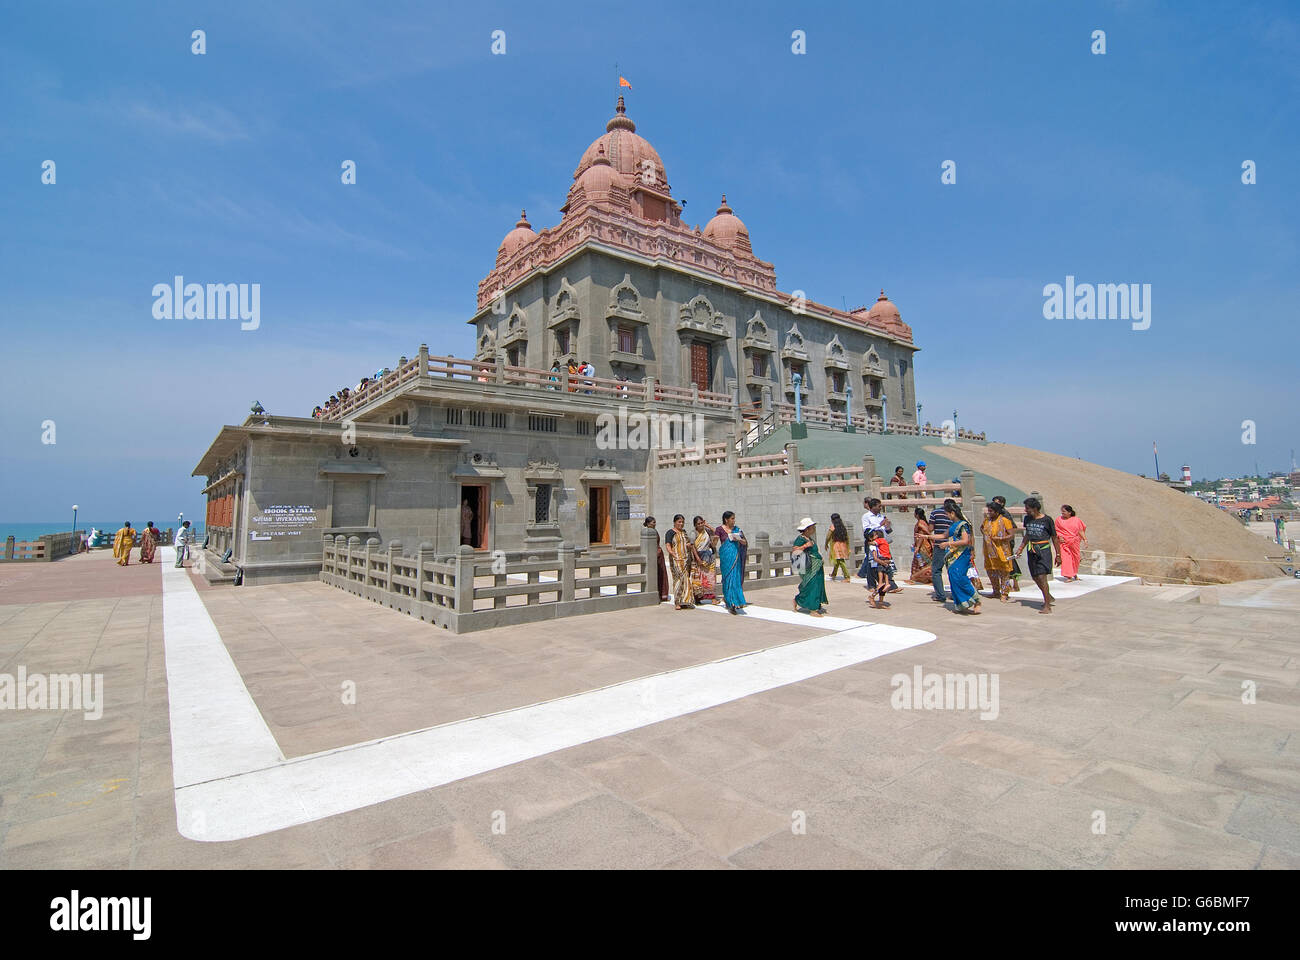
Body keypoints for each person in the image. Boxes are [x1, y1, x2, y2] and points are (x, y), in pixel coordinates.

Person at [935, 499, 981, 614]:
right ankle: (962, 604)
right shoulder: (953, 525)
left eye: (947, 513)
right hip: (952, 556)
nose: (946, 516)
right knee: (953, 578)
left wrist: (948, 544)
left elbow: (965, 541)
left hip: (961, 554)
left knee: (960, 577)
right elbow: (942, 535)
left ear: (952, 513)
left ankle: (976, 600)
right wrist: (925, 535)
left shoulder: (963, 524)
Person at [1015, 497, 1060, 614]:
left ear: (1035, 508)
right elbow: (1028, 535)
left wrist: (1058, 554)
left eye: (1028, 508)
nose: (1026, 510)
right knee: (1035, 576)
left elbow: (1054, 538)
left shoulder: (1047, 520)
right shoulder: (1028, 519)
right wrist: (1020, 548)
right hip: (1031, 550)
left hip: (1043, 551)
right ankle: (1048, 596)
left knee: (1041, 576)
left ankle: (1047, 605)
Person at [790, 518, 828, 616]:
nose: (814, 529)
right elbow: (795, 550)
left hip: (817, 565)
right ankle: (813, 609)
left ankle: (800, 600)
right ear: (807, 529)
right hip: (809, 566)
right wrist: (805, 546)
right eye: (812, 527)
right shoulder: (800, 539)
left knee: (818, 585)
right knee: (812, 586)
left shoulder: (810, 538)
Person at [981, 504, 1016, 601]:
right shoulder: (987, 521)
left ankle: (1004, 593)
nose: (989, 513)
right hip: (989, 551)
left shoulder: (1005, 521)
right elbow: (982, 528)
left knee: (1004, 573)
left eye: (991, 511)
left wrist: (1000, 538)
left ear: (997, 512)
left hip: (1002, 551)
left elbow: (1011, 535)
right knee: (991, 571)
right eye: (988, 511)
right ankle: (995, 591)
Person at [716, 510, 749, 614]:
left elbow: (745, 542)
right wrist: (713, 540)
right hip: (726, 557)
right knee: (727, 579)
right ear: (726, 519)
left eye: (734, 518)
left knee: (735, 579)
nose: (734, 521)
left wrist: (738, 539)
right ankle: (728, 600)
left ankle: (734, 603)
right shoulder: (719, 529)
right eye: (732, 518)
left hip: (735, 558)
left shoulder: (737, 529)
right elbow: (715, 542)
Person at [663, 515, 696, 610]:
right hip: (676, 559)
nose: (681, 524)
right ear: (674, 522)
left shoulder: (684, 532)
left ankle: (685, 601)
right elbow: (668, 544)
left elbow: (686, 544)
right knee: (678, 579)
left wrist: (689, 545)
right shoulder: (670, 532)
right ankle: (677, 601)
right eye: (679, 522)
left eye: (682, 522)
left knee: (686, 579)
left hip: (686, 559)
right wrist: (671, 552)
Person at [923, 499, 952, 602]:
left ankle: (940, 595)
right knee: (952, 571)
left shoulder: (935, 512)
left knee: (936, 570)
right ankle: (955, 593)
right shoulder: (957, 514)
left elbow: (930, 529)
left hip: (940, 544)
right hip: (953, 546)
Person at [691, 516, 720, 605]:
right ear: (695, 525)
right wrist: (698, 559)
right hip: (699, 557)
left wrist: (707, 525)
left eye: (701, 523)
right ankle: (698, 598)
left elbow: (717, 533)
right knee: (699, 579)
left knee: (710, 578)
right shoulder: (693, 533)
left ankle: (712, 598)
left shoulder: (707, 531)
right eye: (698, 524)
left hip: (709, 557)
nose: (700, 525)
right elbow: (693, 547)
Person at [1055, 505, 1087, 581]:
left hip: (1074, 541)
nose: (1062, 513)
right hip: (1064, 542)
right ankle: (1069, 576)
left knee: (1076, 558)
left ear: (1069, 512)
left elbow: (1080, 530)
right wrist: (1059, 536)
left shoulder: (1076, 520)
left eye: (1064, 511)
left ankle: (1074, 574)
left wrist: (1085, 539)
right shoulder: (1058, 520)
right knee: (1066, 558)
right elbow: (1056, 530)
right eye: (1061, 511)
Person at [866, 528, 895, 609]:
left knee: (883, 583)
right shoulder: (873, 546)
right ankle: (872, 597)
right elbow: (875, 558)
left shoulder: (878, 544)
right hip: (876, 566)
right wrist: (884, 563)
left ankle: (880, 602)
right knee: (881, 584)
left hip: (880, 564)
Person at [643, 517, 669, 602]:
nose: (654, 524)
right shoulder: (646, 532)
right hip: (652, 555)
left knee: (661, 574)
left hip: (658, 555)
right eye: (652, 523)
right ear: (648, 524)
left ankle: (662, 594)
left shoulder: (655, 531)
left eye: (655, 522)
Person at [907, 506, 934, 584]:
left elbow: (921, 536)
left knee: (921, 562)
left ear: (917, 515)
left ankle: (920, 578)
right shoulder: (924, 522)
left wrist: (918, 547)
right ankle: (925, 578)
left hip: (923, 546)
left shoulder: (920, 523)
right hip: (924, 545)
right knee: (923, 562)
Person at [825, 513, 851, 581]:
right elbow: (847, 537)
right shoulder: (842, 526)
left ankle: (847, 576)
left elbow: (828, 536)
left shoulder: (833, 526)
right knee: (837, 561)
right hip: (843, 545)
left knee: (841, 561)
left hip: (836, 545)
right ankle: (834, 574)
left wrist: (826, 543)